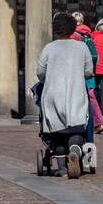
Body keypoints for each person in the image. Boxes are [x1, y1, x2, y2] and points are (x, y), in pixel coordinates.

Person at [37, 12, 95, 175]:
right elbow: (89, 71)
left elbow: (40, 72)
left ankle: (62, 168)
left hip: (53, 95)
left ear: (56, 29)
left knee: (57, 132)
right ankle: (75, 151)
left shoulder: (49, 48)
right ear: (72, 28)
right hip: (75, 93)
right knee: (76, 127)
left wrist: (46, 79)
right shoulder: (82, 47)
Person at [71, 12, 103, 135]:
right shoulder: (87, 34)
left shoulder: (74, 35)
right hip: (90, 70)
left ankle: (84, 122)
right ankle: (98, 121)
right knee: (91, 96)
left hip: (78, 72)